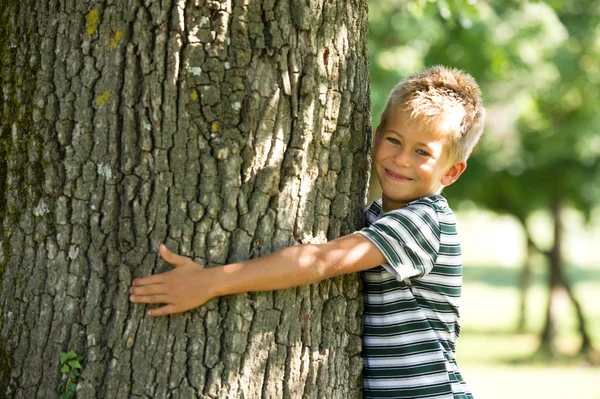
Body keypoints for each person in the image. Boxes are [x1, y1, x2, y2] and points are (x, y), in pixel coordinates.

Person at [129, 65, 485, 399]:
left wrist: (212, 281)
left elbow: (320, 261)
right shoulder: (378, 216)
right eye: (394, 140)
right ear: (376, 137)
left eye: (422, 151)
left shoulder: (421, 222)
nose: (402, 158)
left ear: (451, 172)